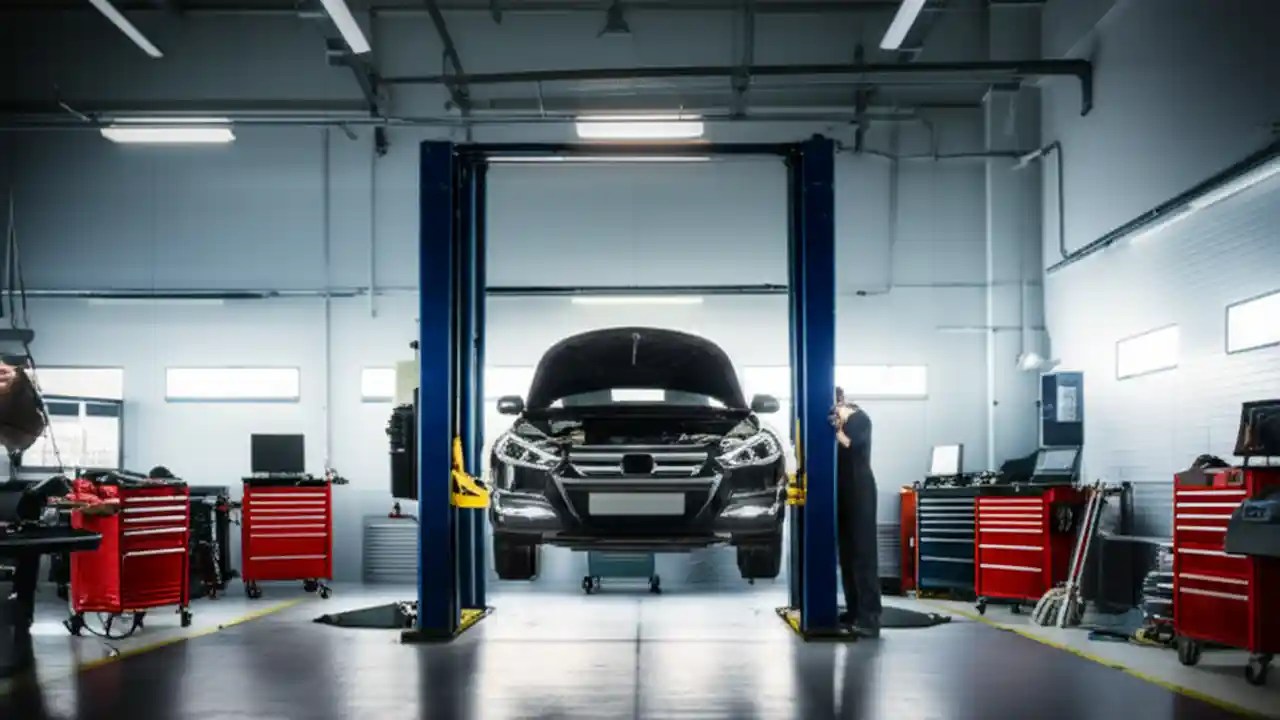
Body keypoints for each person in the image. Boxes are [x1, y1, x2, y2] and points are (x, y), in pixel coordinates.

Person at [832, 386, 881, 638]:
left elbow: (852, 445)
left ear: (840, 400)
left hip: (860, 490)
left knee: (863, 554)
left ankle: (870, 618)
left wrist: (836, 430)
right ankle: (854, 611)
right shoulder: (836, 422)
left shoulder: (860, 418)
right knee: (847, 555)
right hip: (841, 491)